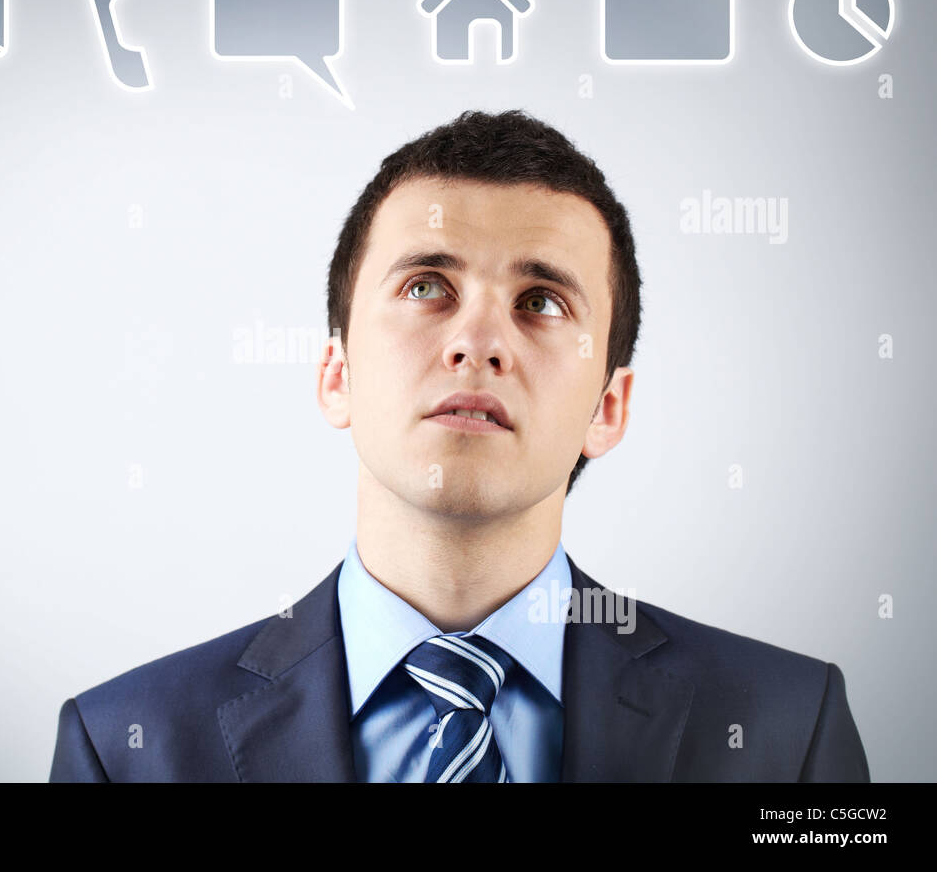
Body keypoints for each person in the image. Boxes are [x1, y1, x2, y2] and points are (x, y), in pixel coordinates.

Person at [49, 109, 869, 782]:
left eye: (541, 301)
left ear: (608, 407)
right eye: (425, 287)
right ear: (336, 373)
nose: (478, 342)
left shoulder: (784, 729)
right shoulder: (130, 745)